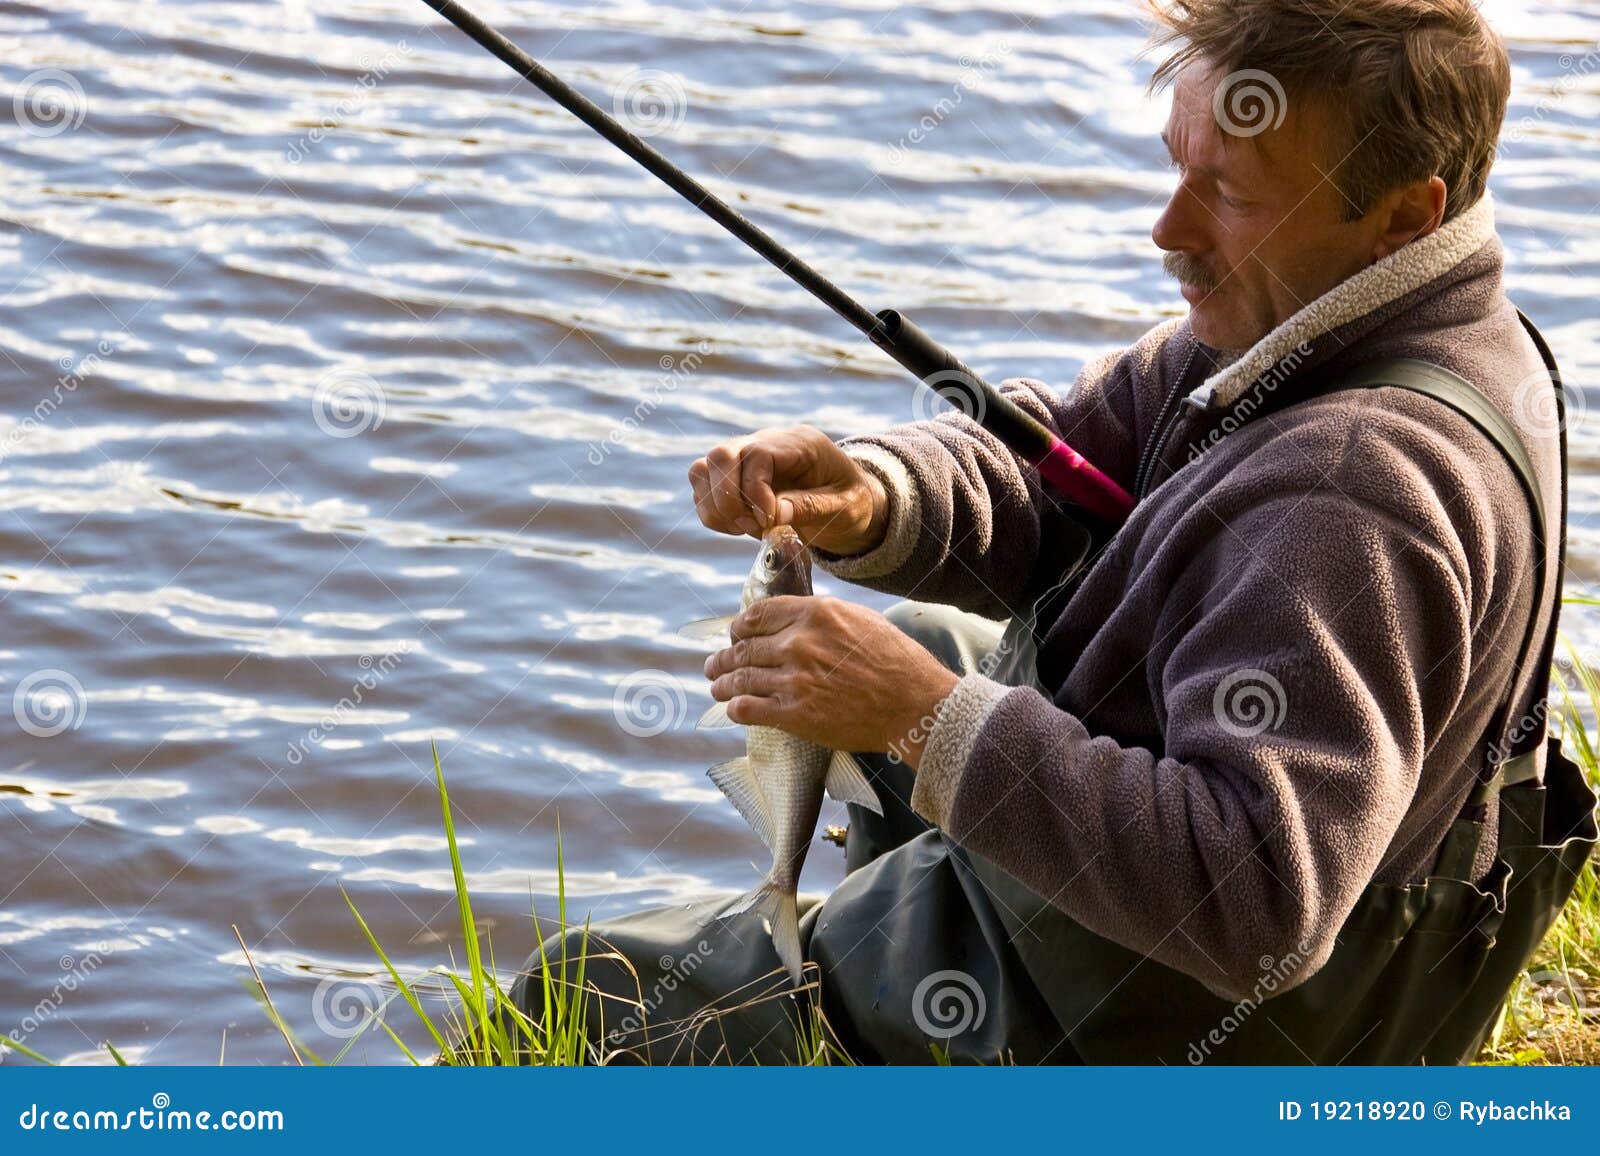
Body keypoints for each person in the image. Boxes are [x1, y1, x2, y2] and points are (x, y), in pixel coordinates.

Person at [508, 0, 1594, 1064]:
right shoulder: (1359, 318)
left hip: (1204, 1026)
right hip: (1289, 939)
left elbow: (1260, 900)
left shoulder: (1355, 492)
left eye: (1223, 192)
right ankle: (856, 989)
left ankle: (862, 1025)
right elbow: (1066, 457)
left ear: (1402, 210)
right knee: (934, 642)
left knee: (582, 991)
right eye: (1177, 165)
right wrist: (873, 494)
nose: (1166, 227)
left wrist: (927, 722)